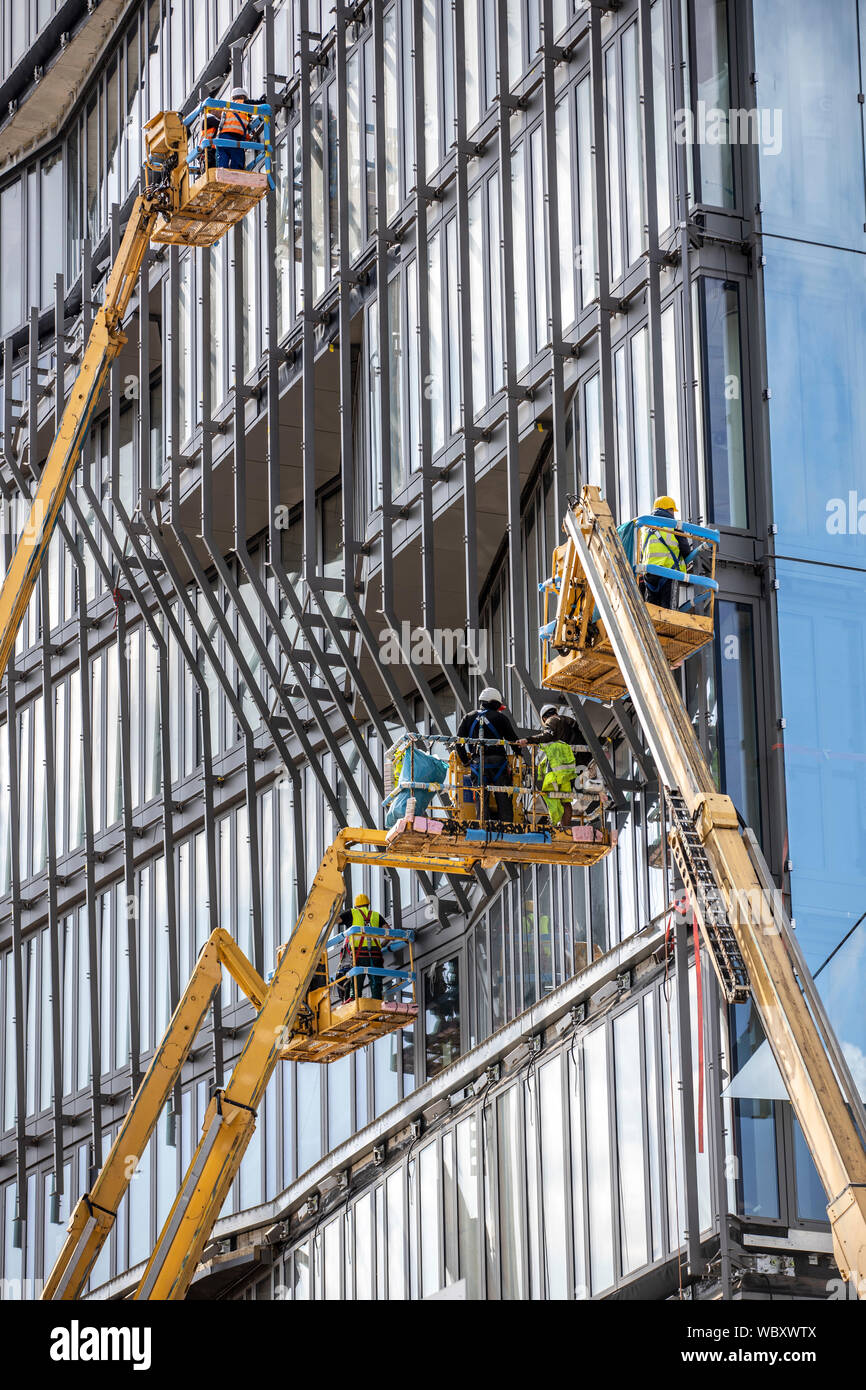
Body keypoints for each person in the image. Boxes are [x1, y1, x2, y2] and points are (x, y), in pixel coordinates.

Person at [455, 686, 520, 825]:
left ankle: (483, 826)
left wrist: (465, 760)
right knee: (503, 796)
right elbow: (514, 741)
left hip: (478, 764)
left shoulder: (468, 717)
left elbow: (458, 742)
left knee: (480, 796)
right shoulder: (501, 718)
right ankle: (507, 827)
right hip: (498, 764)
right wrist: (521, 757)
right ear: (495, 702)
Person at [521, 703, 593, 828]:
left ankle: (558, 824)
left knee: (554, 796)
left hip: (563, 767)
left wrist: (528, 740)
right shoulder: (569, 721)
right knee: (566, 799)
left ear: (544, 718)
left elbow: (548, 735)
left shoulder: (552, 720)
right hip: (576, 764)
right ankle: (564, 826)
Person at [638, 495, 691, 612]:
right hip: (668, 572)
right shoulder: (674, 525)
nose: (673, 513)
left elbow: (642, 553)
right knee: (669, 612)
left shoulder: (645, 528)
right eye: (672, 510)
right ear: (668, 510)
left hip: (650, 574)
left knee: (653, 611)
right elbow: (686, 550)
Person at [334, 894, 387, 1003]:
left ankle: (354, 1002)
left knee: (356, 983)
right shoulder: (376, 915)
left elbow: (336, 920)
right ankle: (377, 1004)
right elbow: (389, 932)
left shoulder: (352, 913)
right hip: (376, 954)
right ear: (368, 905)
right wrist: (381, 946)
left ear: (356, 906)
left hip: (359, 954)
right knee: (376, 983)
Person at [216, 85, 251, 170]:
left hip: (222, 136)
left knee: (223, 160)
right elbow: (244, 128)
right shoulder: (243, 106)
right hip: (235, 138)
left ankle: (222, 176)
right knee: (237, 161)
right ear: (243, 97)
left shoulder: (227, 108)